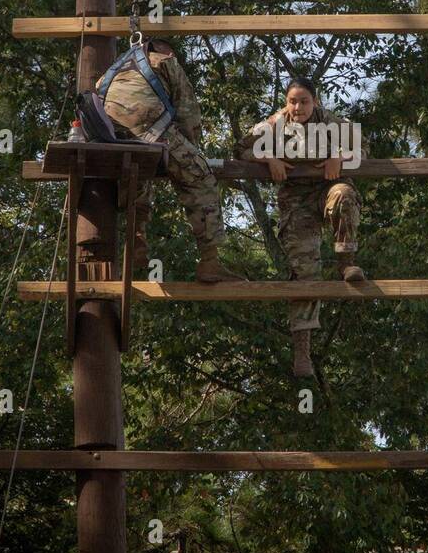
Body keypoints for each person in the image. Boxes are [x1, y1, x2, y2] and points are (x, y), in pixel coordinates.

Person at [237, 77, 365, 378]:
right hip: (295, 200)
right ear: (286, 102)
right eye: (292, 101)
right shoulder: (274, 124)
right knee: (303, 271)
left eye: (304, 101)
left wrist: (338, 156)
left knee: (344, 196)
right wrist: (268, 158)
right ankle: (302, 352)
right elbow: (240, 149)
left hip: (328, 189)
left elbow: (362, 148)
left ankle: (347, 262)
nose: (298, 107)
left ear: (315, 102)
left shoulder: (331, 122)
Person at [101, 39, 242, 283]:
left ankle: (136, 242)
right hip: (154, 130)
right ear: (166, 51)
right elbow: (188, 113)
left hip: (113, 139)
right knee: (200, 177)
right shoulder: (166, 62)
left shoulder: (109, 73)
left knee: (138, 177)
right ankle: (210, 260)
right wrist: (190, 152)